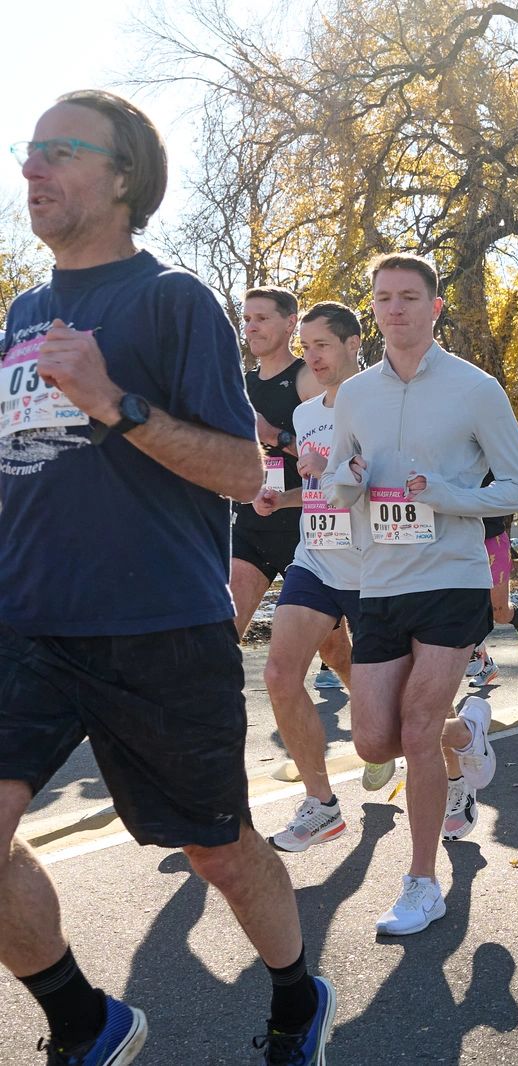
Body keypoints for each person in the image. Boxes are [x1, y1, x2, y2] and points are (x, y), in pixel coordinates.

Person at [0, 91, 334, 1063]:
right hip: (26, 625)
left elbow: (244, 472)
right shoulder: (22, 312)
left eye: (61, 150)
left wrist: (113, 401)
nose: (33, 167)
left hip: (156, 626)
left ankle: (292, 994)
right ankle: (82, 1020)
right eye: (29, 150)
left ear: (122, 177)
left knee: (217, 850)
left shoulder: (169, 298)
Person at [324, 253, 518, 933]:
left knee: (413, 727)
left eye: (409, 297)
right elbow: (334, 484)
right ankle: (465, 732)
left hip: (452, 578)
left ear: (435, 307)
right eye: (384, 298)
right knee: (373, 742)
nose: (395, 309)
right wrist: (348, 479)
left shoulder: (476, 389)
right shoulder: (355, 395)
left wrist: (446, 497)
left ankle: (421, 882)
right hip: (381, 580)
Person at [264, 301, 394, 854]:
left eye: (322, 345)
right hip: (315, 558)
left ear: (352, 344)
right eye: (307, 346)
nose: (311, 356)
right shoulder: (305, 413)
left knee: (396, 719)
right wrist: (283, 498)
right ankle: (322, 805)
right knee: (278, 672)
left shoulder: (385, 404)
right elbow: (317, 487)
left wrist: (333, 473)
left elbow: (387, 482)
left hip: (374, 570)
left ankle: (462, 749)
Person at [230, 285, 354, 685]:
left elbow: (335, 453)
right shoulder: (243, 383)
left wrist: (273, 436)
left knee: (335, 652)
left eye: (262, 318)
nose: (251, 327)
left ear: (288, 323)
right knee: (223, 628)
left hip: (307, 526)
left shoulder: (307, 378)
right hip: (254, 518)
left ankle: (381, 722)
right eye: (247, 319)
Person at [465, 477, 518, 688]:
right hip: (456, 538)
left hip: (491, 537)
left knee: (498, 612)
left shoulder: (490, 447)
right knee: (461, 605)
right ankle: (486, 663)